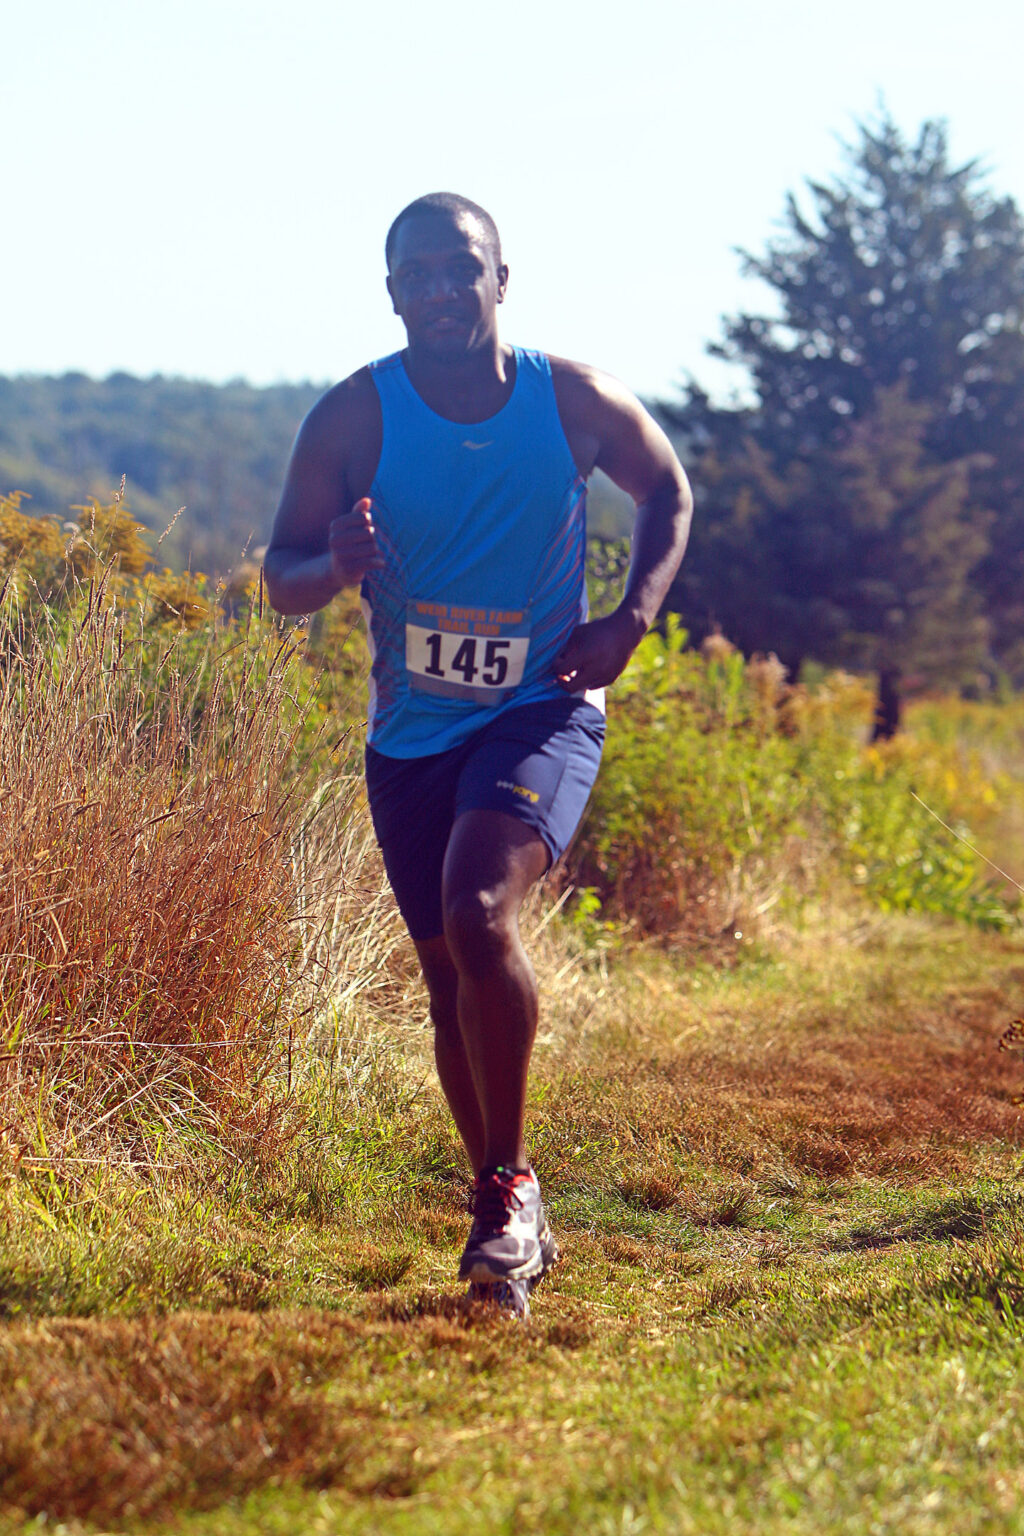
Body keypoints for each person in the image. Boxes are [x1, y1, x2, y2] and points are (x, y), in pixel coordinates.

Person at [264, 192, 692, 1314]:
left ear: (503, 278)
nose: (439, 291)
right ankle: (505, 1195)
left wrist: (630, 620)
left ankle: (504, 1194)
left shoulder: (573, 401)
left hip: (543, 706)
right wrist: (335, 567)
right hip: (409, 734)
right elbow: (280, 579)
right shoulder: (353, 417)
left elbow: (669, 493)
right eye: (415, 276)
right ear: (392, 292)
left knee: (478, 912)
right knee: (447, 970)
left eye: (461, 269)